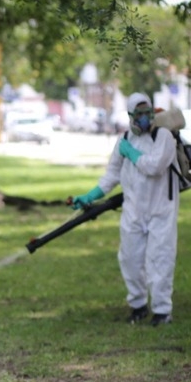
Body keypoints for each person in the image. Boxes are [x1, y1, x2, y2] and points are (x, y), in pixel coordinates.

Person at [70, 92, 179, 326]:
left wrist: (132, 153)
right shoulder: (124, 140)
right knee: (129, 259)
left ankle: (162, 310)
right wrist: (90, 196)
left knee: (159, 260)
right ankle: (138, 305)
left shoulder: (164, 137)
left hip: (161, 210)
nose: (143, 118)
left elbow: (155, 167)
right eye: (138, 113)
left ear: (153, 112)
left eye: (147, 113)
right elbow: (111, 176)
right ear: (130, 115)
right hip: (133, 211)